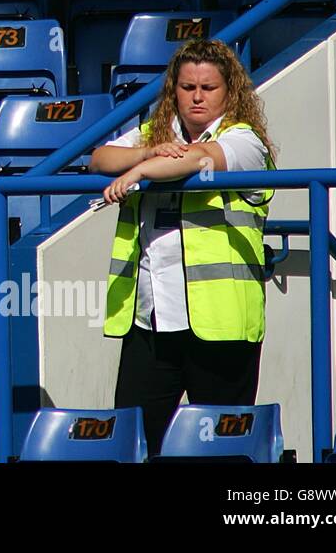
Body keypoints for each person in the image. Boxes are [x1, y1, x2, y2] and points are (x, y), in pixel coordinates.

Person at [89, 38, 277, 454]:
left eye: (207, 88)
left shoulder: (245, 140)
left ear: (229, 92)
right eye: (187, 86)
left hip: (222, 325)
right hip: (150, 320)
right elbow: (99, 158)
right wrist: (150, 151)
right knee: (135, 446)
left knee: (222, 452)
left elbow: (195, 160)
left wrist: (139, 168)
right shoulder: (157, 135)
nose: (196, 97)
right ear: (174, 88)